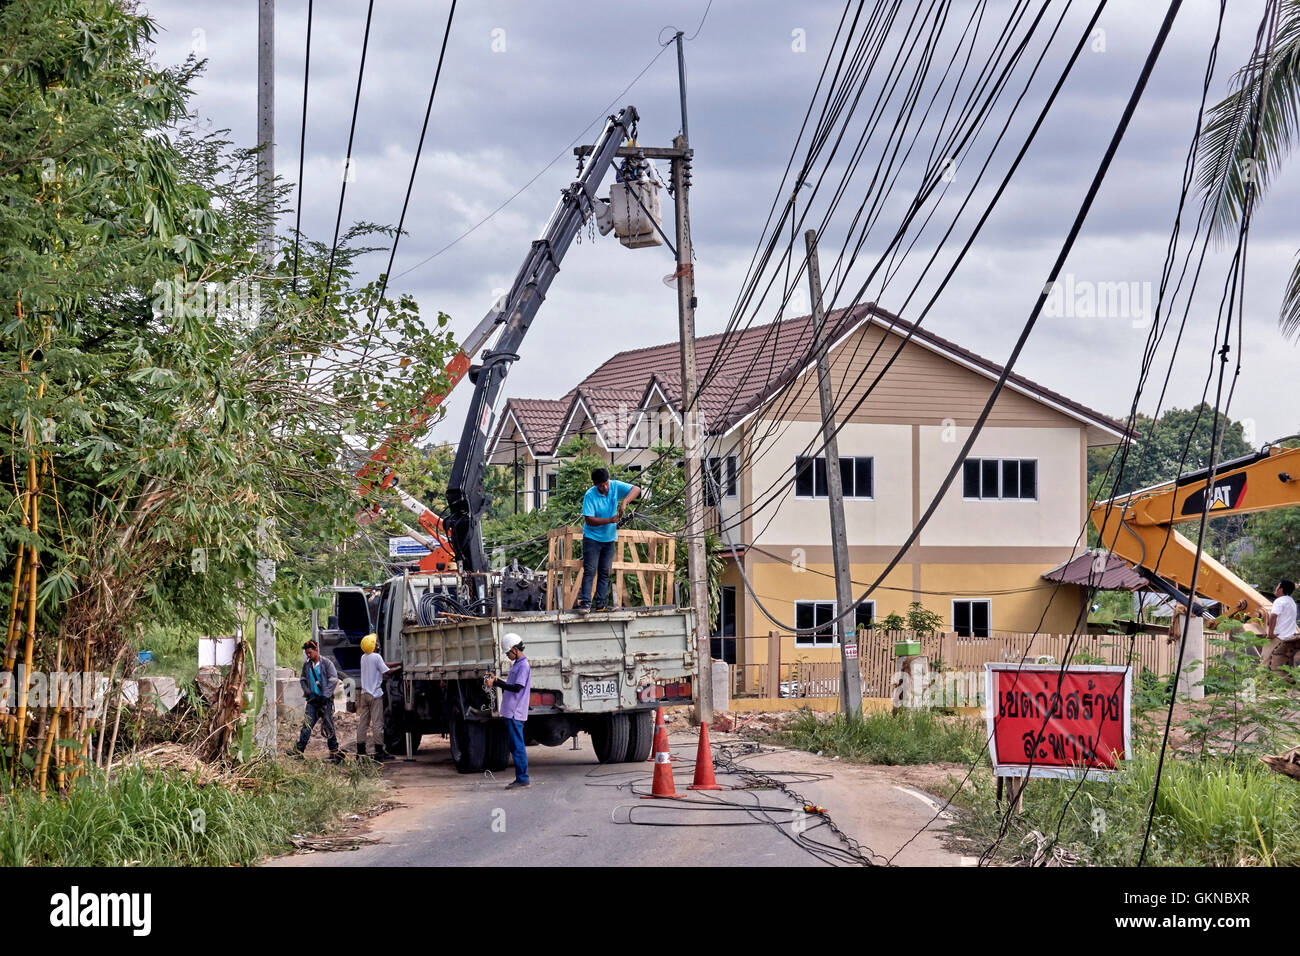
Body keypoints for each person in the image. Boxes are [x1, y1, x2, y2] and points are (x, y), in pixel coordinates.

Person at [574, 467, 640, 611]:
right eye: (601, 485)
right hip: (592, 538)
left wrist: (624, 502)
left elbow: (636, 489)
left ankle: (600, 605)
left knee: (605, 572)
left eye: (606, 483)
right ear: (595, 485)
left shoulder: (615, 485)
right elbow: (589, 520)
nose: (605, 487)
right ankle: (585, 603)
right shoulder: (590, 495)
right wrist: (609, 520)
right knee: (590, 571)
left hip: (609, 539)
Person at [485, 633, 531, 789]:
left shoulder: (523, 666)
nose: (507, 656)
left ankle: (522, 778)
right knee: (515, 745)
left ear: (514, 649)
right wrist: (497, 680)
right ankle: (521, 778)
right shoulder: (518, 664)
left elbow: (517, 688)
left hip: (515, 713)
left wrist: (496, 683)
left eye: (507, 653)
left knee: (517, 746)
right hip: (512, 711)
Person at [294, 639, 343, 763]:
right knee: (307, 726)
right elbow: (303, 680)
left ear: (316, 650)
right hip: (312, 701)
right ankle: (299, 751)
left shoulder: (327, 663)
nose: (308, 655)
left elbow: (333, 679)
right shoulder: (307, 665)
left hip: (325, 702)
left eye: (310, 653)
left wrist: (326, 695)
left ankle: (334, 752)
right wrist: (308, 692)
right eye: (307, 654)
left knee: (328, 726)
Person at [356, 633, 401, 761]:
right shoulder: (376, 657)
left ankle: (360, 752)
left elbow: (383, 664)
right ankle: (380, 751)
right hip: (375, 696)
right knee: (377, 724)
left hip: (364, 695)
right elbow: (387, 671)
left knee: (363, 724)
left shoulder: (364, 657)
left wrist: (396, 663)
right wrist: (400, 667)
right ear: (373, 646)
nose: (377, 645)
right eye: (375, 643)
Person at [1266, 579, 1298, 680]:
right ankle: (1284, 685)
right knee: (1283, 664)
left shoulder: (1279, 601)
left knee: (1265, 661)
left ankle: (1261, 687)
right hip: (1289, 637)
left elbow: (1273, 616)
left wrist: (1270, 634)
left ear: (1281, 589)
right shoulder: (1292, 602)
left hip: (1278, 637)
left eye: (1277, 586)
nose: (1276, 589)